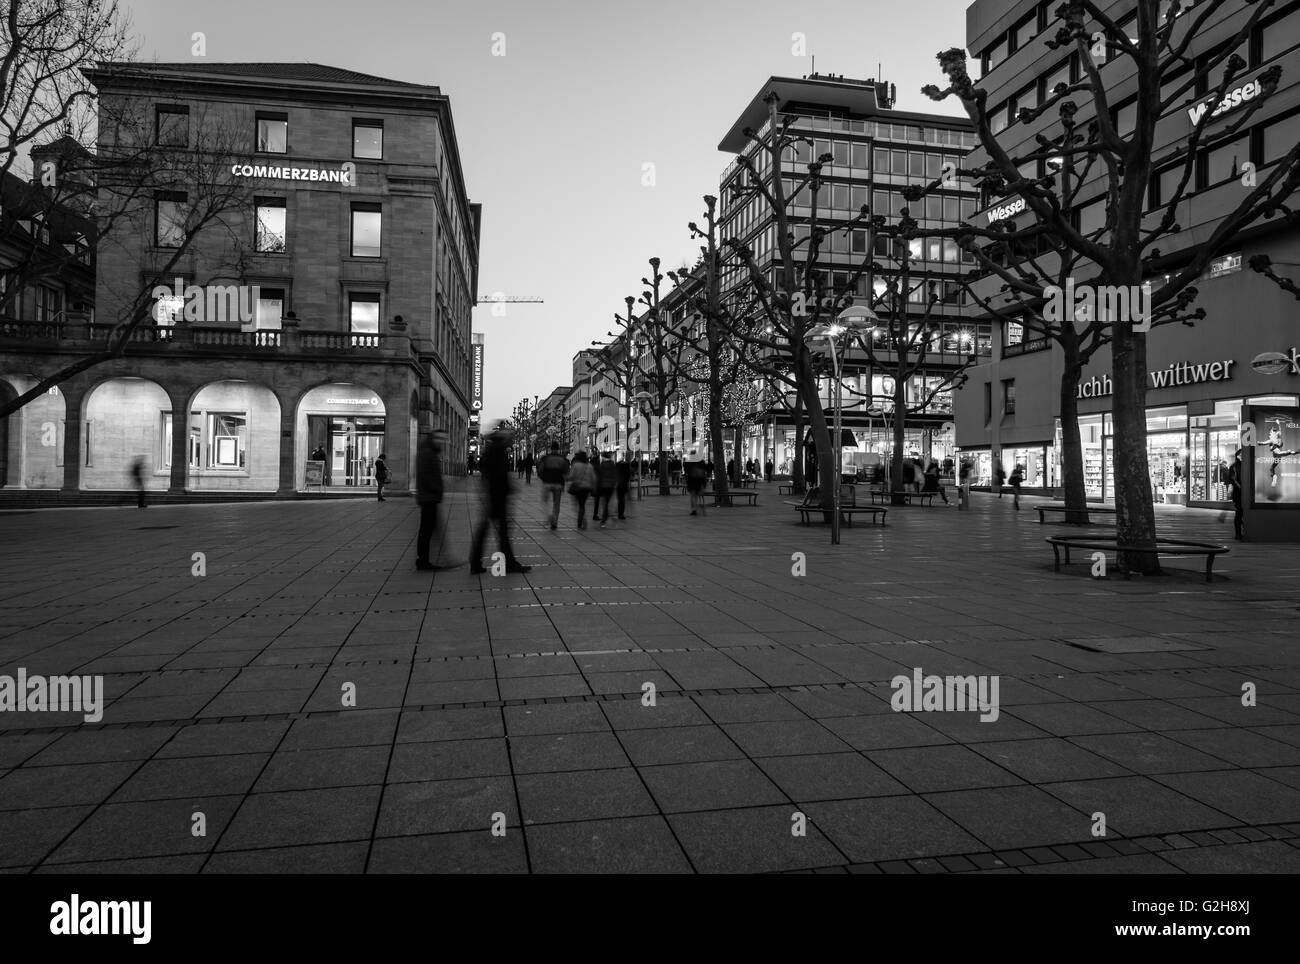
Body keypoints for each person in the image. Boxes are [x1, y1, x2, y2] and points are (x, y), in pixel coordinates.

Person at [470, 422, 530, 574]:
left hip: (494, 496)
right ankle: (506, 564)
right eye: (509, 435)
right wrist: (508, 490)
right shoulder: (498, 450)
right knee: (499, 532)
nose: (511, 438)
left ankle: (478, 562)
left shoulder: (493, 449)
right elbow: (499, 475)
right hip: (497, 497)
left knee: (493, 531)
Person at [415, 431, 447, 570]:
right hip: (428, 497)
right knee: (427, 530)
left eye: (443, 439)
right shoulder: (427, 453)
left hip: (430, 497)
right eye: (439, 438)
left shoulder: (429, 451)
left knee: (429, 529)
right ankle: (423, 561)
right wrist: (436, 489)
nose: (442, 442)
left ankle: (425, 559)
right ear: (433, 438)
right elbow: (425, 476)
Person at [538, 442, 570, 530]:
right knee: (556, 504)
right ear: (558, 448)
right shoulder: (562, 459)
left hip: (547, 483)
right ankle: (554, 521)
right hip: (558, 484)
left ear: (551, 449)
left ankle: (549, 516)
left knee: (544, 501)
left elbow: (540, 470)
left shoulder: (545, 458)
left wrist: (543, 478)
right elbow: (566, 473)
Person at [568, 450, 596, 529]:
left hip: (577, 487)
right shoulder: (590, 466)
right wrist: (593, 487)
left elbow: (571, 476)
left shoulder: (576, 465)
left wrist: (567, 478)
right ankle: (582, 520)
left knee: (576, 505)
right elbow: (593, 478)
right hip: (586, 488)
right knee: (582, 505)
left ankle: (581, 520)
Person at [594, 451, 618, 526]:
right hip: (610, 486)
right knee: (608, 502)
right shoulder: (612, 464)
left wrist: (598, 485)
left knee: (605, 503)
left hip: (604, 486)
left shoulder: (602, 465)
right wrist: (614, 484)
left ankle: (604, 520)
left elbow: (599, 476)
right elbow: (615, 475)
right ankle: (610, 516)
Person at [1226, 448, 1244, 540]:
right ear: (1238, 456)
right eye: (1241, 454)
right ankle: (1238, 533)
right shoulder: (1234, 466)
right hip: (1239, 493)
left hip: (1243, 492)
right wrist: (1241, 488)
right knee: (1239, 512)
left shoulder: (1246, 465)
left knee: (1242, 512)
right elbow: (1233, 479)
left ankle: (1242, 531)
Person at [685, 448, 708, 516]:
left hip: (691, 480)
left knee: (693, 495)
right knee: (698, 495)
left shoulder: (689, 461)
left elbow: (686, 470)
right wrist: (704, 483)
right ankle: (699, 507)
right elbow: (704, 471)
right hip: (699, 481)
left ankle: (694, 509)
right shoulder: (701, 461)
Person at [616, 453, 632, 520]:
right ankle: (621, 514)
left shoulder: (617, 465)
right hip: (624, 484)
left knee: (620, 499)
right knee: (622, 500)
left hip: (618, 484)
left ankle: (620, 513)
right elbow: (628, 476)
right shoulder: (626, 465)